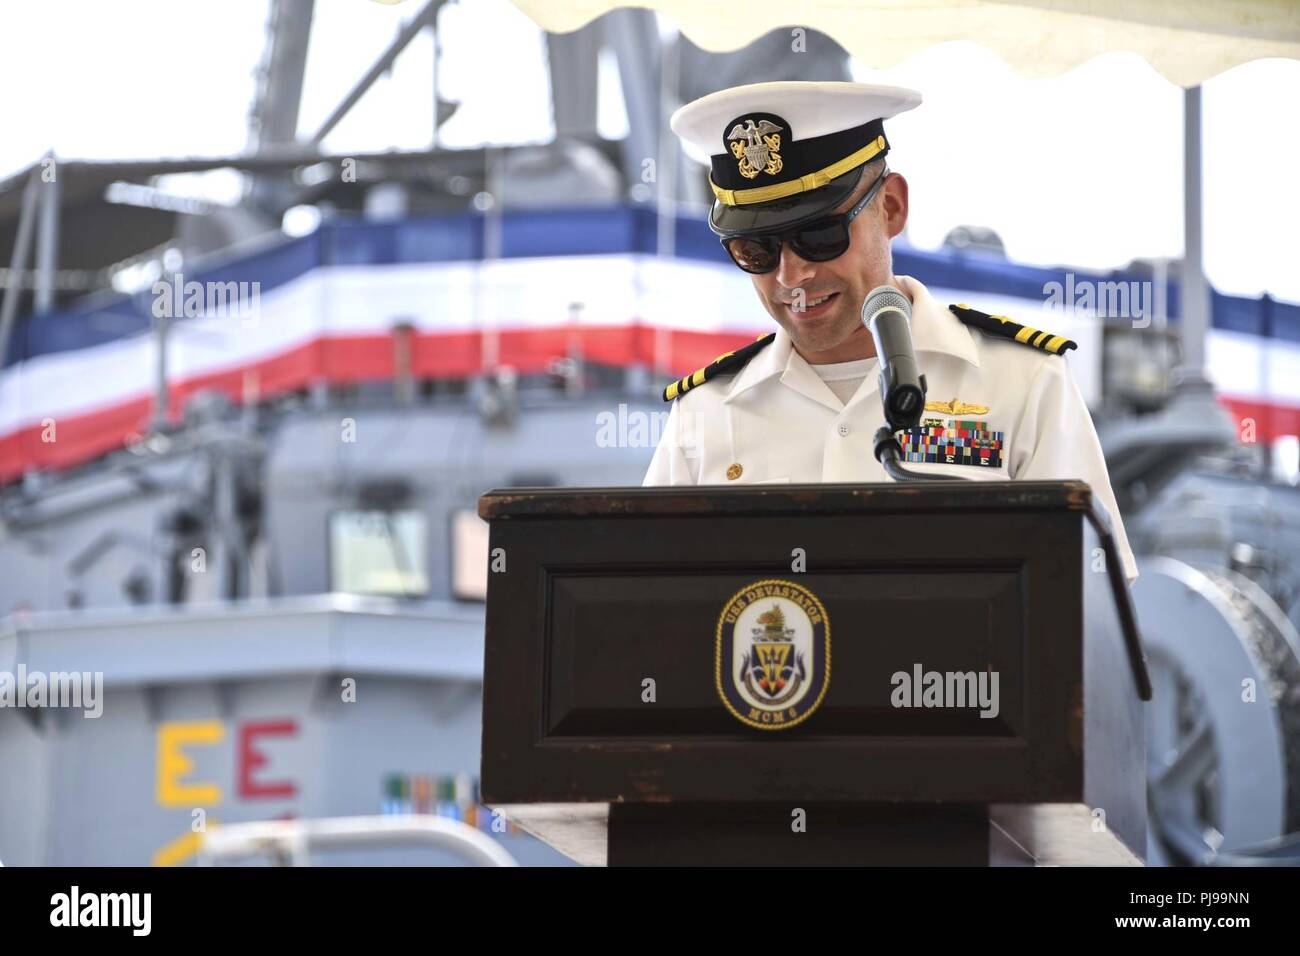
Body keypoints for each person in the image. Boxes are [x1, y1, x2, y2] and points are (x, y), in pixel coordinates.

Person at [643, 80, 1137, 583]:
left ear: (892, 207)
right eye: (756, 251)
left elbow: (1089, 605)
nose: (791, 277)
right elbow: (643, 604)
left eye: (819, 235)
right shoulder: (703, 413)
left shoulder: (1025, 383)